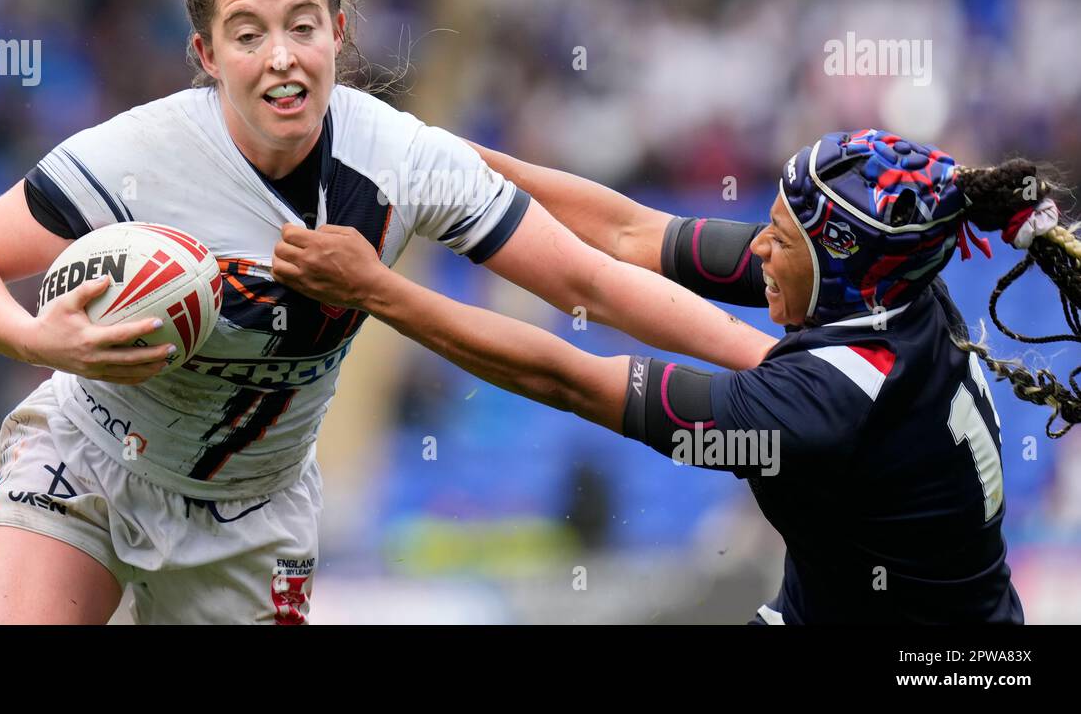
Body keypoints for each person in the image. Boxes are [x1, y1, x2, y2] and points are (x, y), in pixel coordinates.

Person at [0, 0, 776, 625]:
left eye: (302, 26)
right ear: (207, 56)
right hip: (86, 459)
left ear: (338, 35)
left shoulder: (399, 159)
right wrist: (31, 334)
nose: (280, 56)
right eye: (247, 35)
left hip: (255, 513)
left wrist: (768, 364)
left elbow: (589, 284)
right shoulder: (137, 154)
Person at [273, 129, 1081, 623]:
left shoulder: (819, 406)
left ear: (839, 265)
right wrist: (444, 159)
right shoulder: (894, 286)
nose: (759, 250)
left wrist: (375, 290)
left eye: (780, 238)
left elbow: (567, 378)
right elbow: (631, 232)